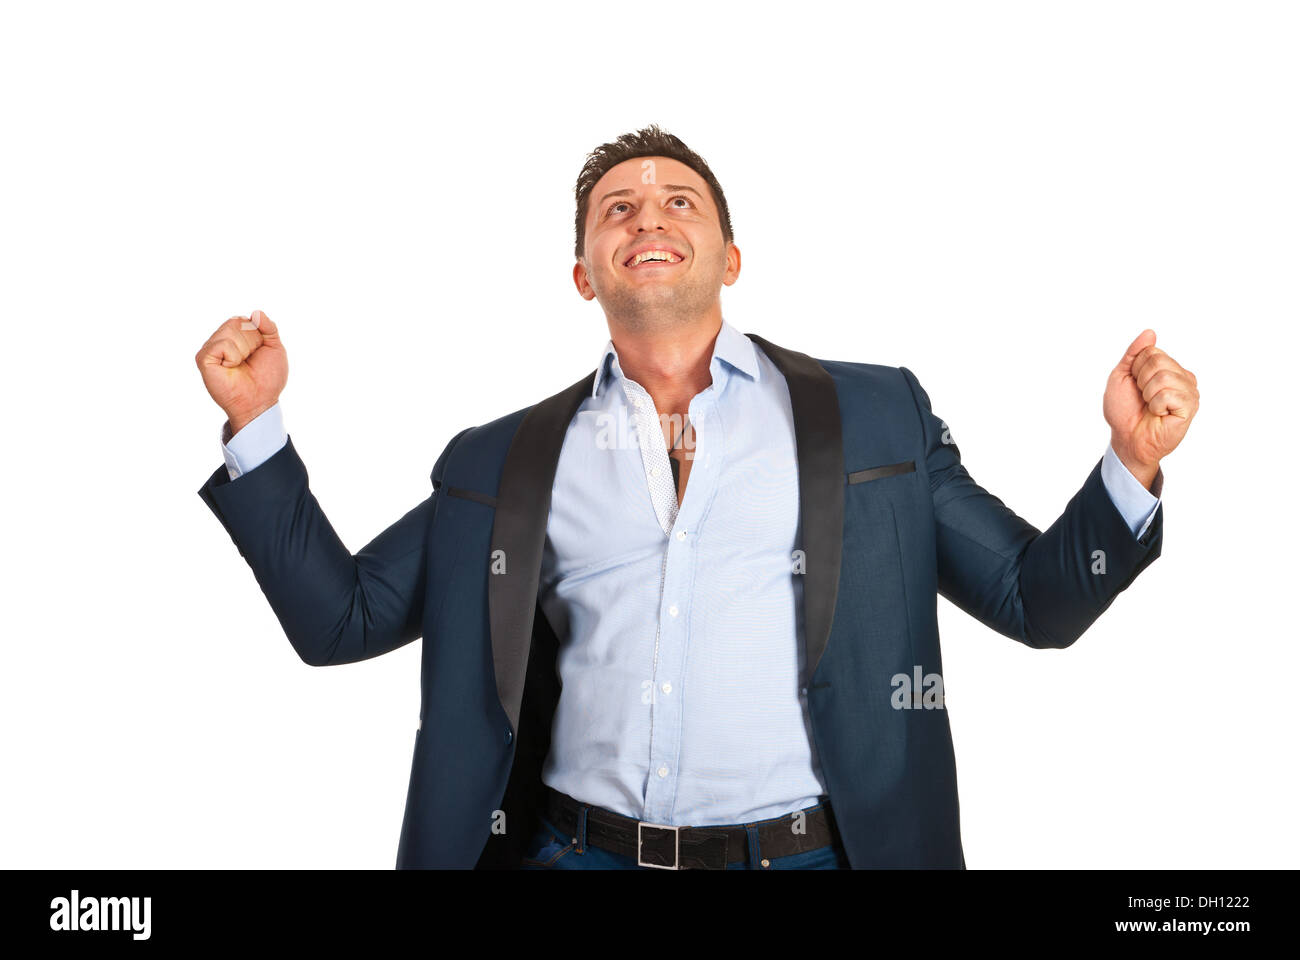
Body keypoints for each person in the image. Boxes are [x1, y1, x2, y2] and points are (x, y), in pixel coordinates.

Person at [195, 125, 1199, 869]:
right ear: (585, 274)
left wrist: (1130, 462)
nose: (647, 216)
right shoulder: (500, 460)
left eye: (680, 200)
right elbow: (343, 618)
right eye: (616, 209)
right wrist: (256, 425)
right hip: (571, 855)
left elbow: (1034, 600)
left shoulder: (874, 418)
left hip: (807, 858)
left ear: (728, 259)